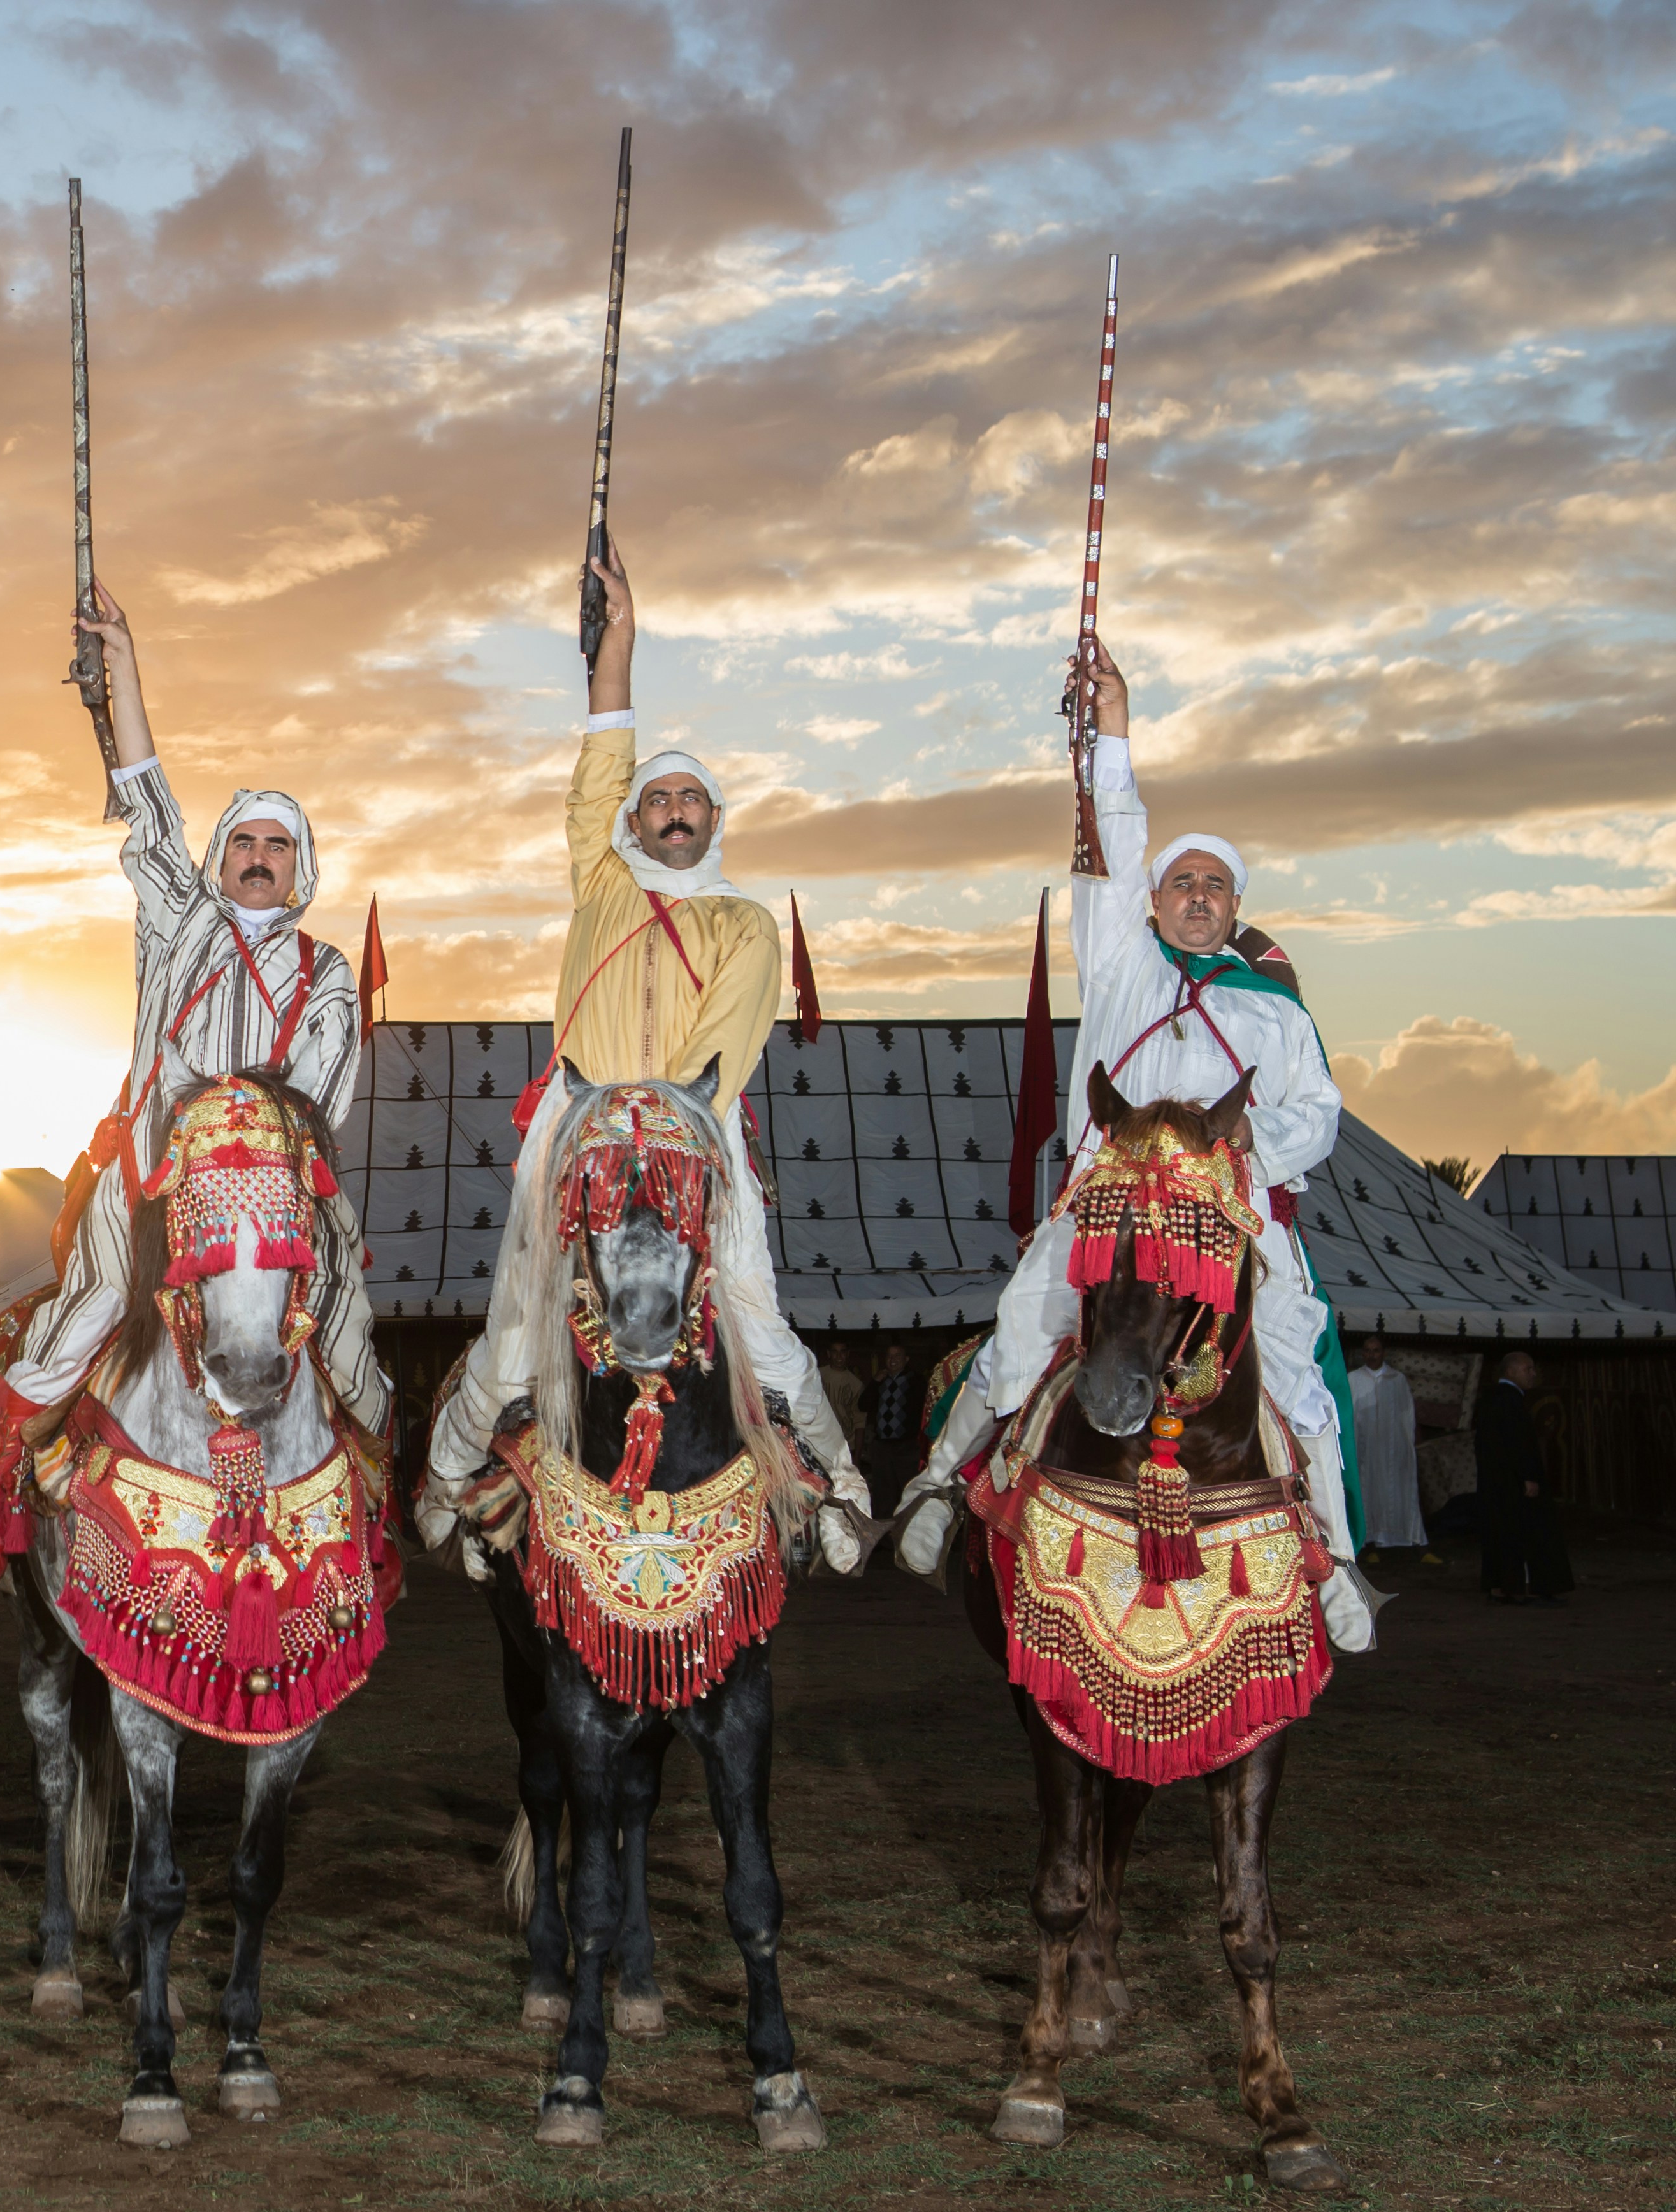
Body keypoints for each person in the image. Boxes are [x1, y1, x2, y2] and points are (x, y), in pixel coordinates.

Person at [893, 638, 1378, 1652]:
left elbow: (1320, 1119)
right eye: (1181, 883)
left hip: (1229, 1212)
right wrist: (1113, 731)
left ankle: (1332, 1560)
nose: (1198, 896)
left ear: (1237, 909)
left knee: (1291, 1362)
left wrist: (1250, 1138)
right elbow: (1110, 847)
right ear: (1154, 903)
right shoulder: (1122, 969)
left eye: (1216, 887)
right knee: (1026, 1321)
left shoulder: (1277, 1013)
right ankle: (940, 1489)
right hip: (1111, 1203)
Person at [424, 539, 877, 1563]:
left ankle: (840, 1486)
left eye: (691, 802)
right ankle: (452, 1479)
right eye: (657, 801)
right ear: (634, 823)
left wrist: (661, 1128)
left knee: (755, 1322)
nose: (672, 813)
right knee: (514, 1332)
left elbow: (724, 1051)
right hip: (574, 1141)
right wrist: (617, 647)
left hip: (694, 1141)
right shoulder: (604, 887)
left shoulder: (745, 926)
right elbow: (595, 776)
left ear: (716, 821)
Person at [0, 576, 385, 1538]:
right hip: (154, 1177)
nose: (258, 857)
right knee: (87, 1315)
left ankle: (377, 1504)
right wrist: (127, 668)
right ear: (219, 857)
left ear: (299, 868)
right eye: (243, 843)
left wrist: (254, 1154)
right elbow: (149, 805)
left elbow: (324, 1100)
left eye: (277, 845)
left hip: (273, 1191)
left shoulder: (330, 972)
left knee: (349, 1334)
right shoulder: (179, 923)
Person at [1471, 1351, 1571, 1605]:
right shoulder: (1509, 1402)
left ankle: (1499, 1587)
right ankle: (1525, 1588)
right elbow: (1519, 1445)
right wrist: (1528, 1477)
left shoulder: (1491, 1399)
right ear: (1511, 1372)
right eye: (1528, 1369)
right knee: (1525, 1534)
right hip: (1514, 1486)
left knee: (1499, 1535)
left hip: (1495, 1485)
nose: (1533, 1374)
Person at [1347, 1335, 1432, 1560]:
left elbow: (1407, 1417)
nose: (1372, 1355)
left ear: (1383, 1353)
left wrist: (1407, 1447)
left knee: (1399, 1492)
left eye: (1376, 1350)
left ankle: (1413, 1542)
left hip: (1393, 1450)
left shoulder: (1397, 1379)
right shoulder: (1353, 1379)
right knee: (1369, 1492)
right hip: (1365, 1451)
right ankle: (1371, 1544)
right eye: (1367, 1350)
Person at [864, 1342, 923, 1498]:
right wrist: (875, 1382)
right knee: (883, 1489)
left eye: (897, 1355)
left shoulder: (916, 1381)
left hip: (906, 1446)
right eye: (889, 1356)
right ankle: (883, 1520)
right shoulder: (881, 1381)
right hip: (882, 1446)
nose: (893, 1359)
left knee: (907, 1487)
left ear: (906, 1359)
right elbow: (863, 1404)